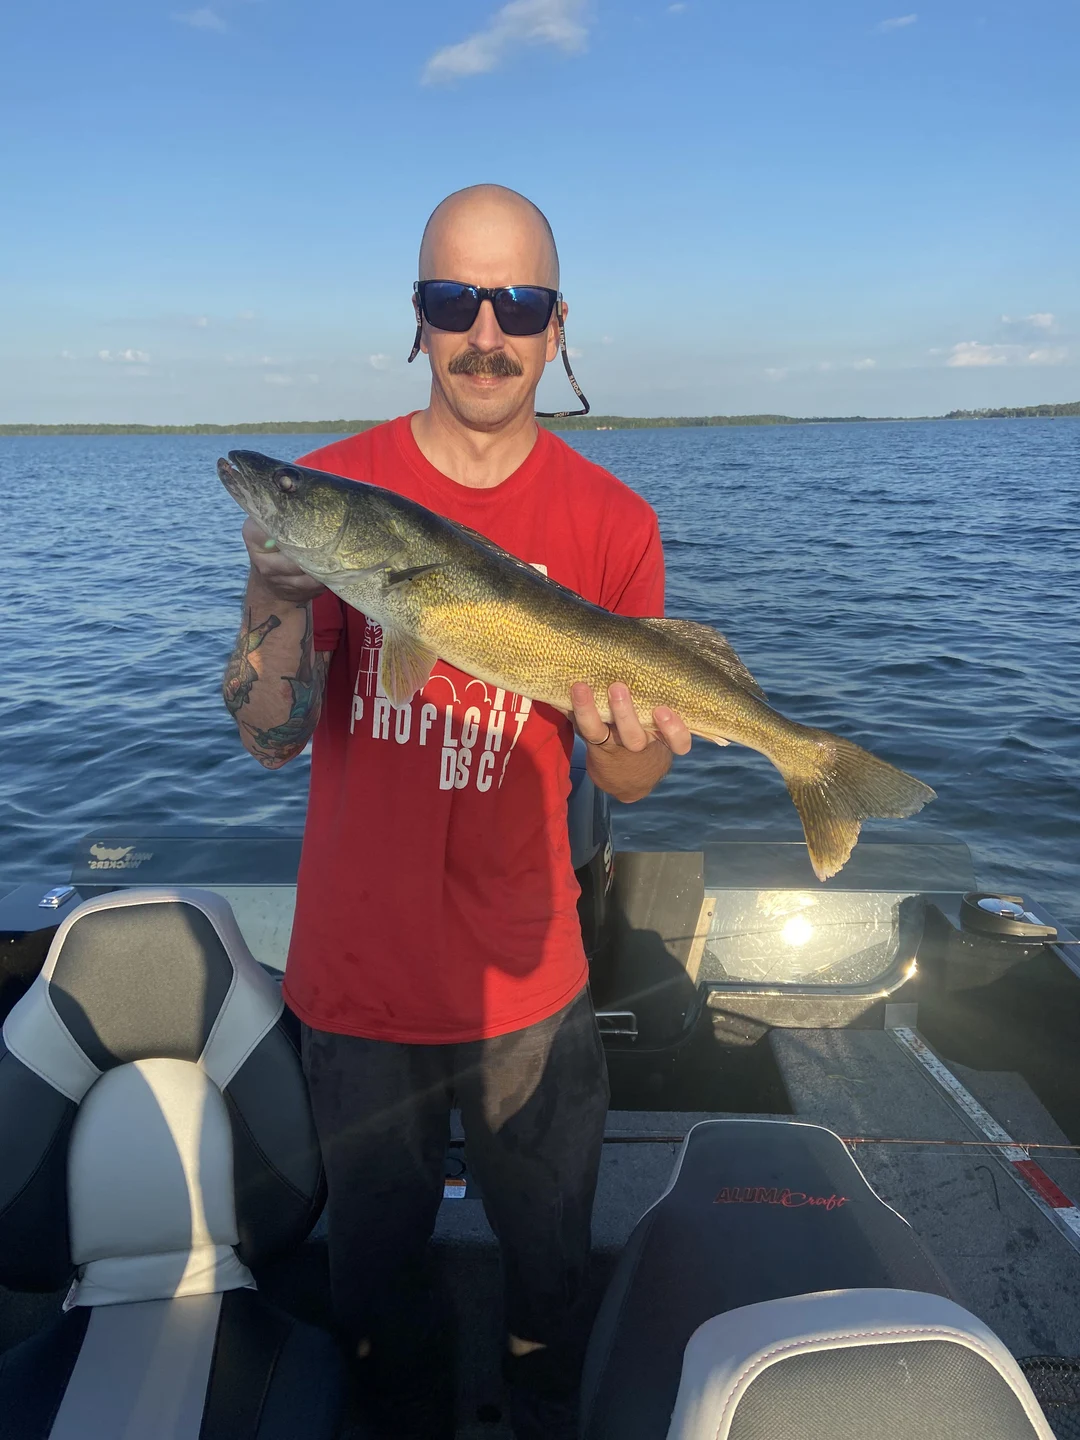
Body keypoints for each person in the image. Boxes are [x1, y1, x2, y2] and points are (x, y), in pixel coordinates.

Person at [222, 183, 691, 1439]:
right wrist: (271, 597)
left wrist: (623, 740)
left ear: (555, 327)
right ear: (418, 320)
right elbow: (269, 739)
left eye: (517, 303)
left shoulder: (613, 521)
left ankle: (547, 1398)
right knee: (374, 1290)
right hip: (356, 988)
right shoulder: (327, 499)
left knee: (551, 1280)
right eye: (453, 299)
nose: (487, 331)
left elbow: (635, 784)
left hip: (531, 987)